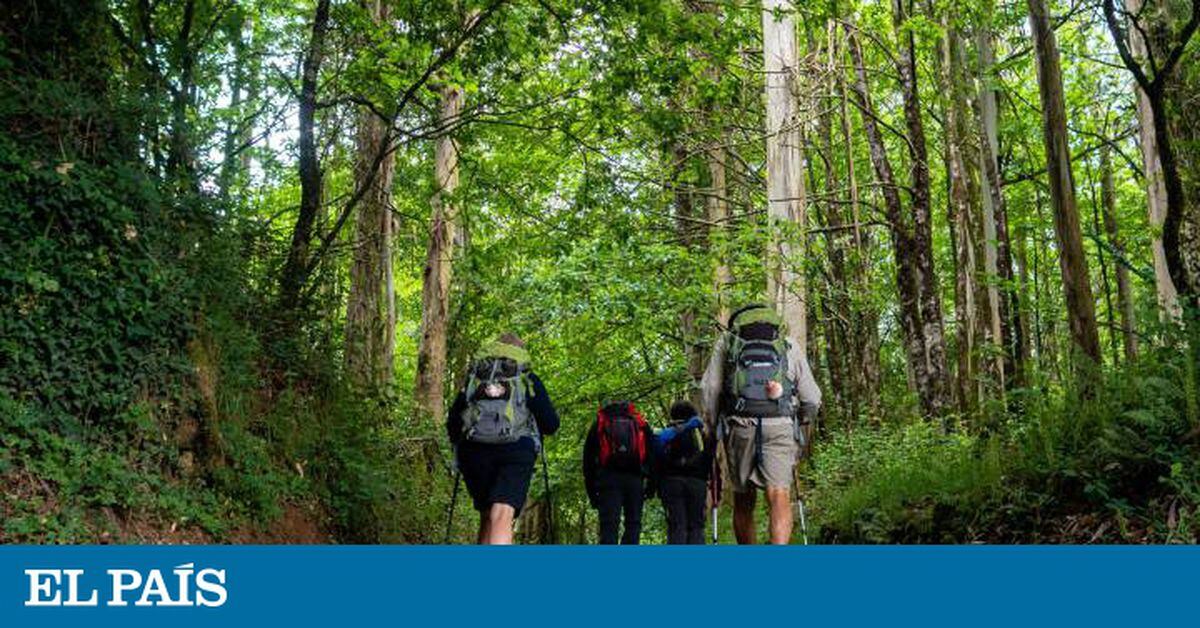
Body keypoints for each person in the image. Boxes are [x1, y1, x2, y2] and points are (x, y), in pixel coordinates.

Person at [700, 304, 821, 545]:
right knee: (779, 494)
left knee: (743, 499)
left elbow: (710, 389)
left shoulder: (727, 344)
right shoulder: (787, 345)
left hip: (740, 425)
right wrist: (803, 420)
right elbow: (812, 397)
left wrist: (711, 429)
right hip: (780, 424)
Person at [446, 333, 559, 545]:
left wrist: (461, 448)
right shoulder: (527, 378)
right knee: (502, 514)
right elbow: (550, 425)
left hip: (474, 453)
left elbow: (454, 423)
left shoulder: (474, 378)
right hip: (516, 451)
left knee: (488, 515)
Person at [583, 400, 655, 544]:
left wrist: (592, 494)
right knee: (633, 524)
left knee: (609, 526)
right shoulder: (640, 423)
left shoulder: (600, 423)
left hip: (608, 479)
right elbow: (652, 457)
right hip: (635, 480)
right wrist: (651, 487)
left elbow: (588, 462)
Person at [654, 400, 711, 544]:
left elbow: (657, 459)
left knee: (677, 526)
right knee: (696, 526)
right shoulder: (700, 432)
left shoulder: (667, 433)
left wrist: (656, 486)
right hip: (697, 482)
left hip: (671, 483)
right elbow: (709, 457)